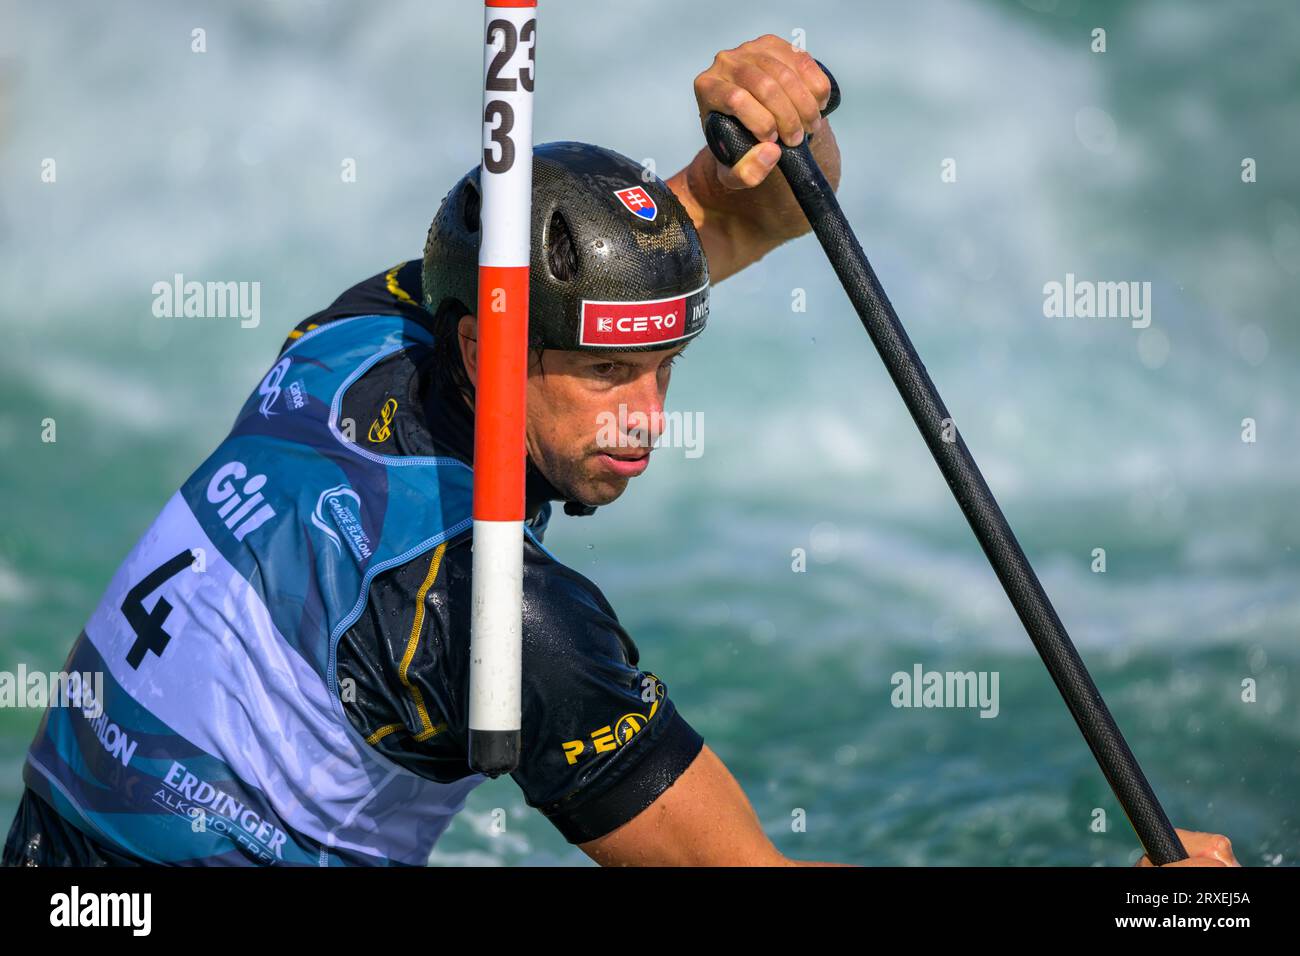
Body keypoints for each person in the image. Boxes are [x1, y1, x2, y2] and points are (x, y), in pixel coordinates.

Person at [3, 35, 1236, 868]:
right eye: (604, 376)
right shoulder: (504, 623)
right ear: (493, 349)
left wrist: (772, 124)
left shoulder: (361, 334)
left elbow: (713, 220)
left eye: (663, 369)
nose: (644, 418)